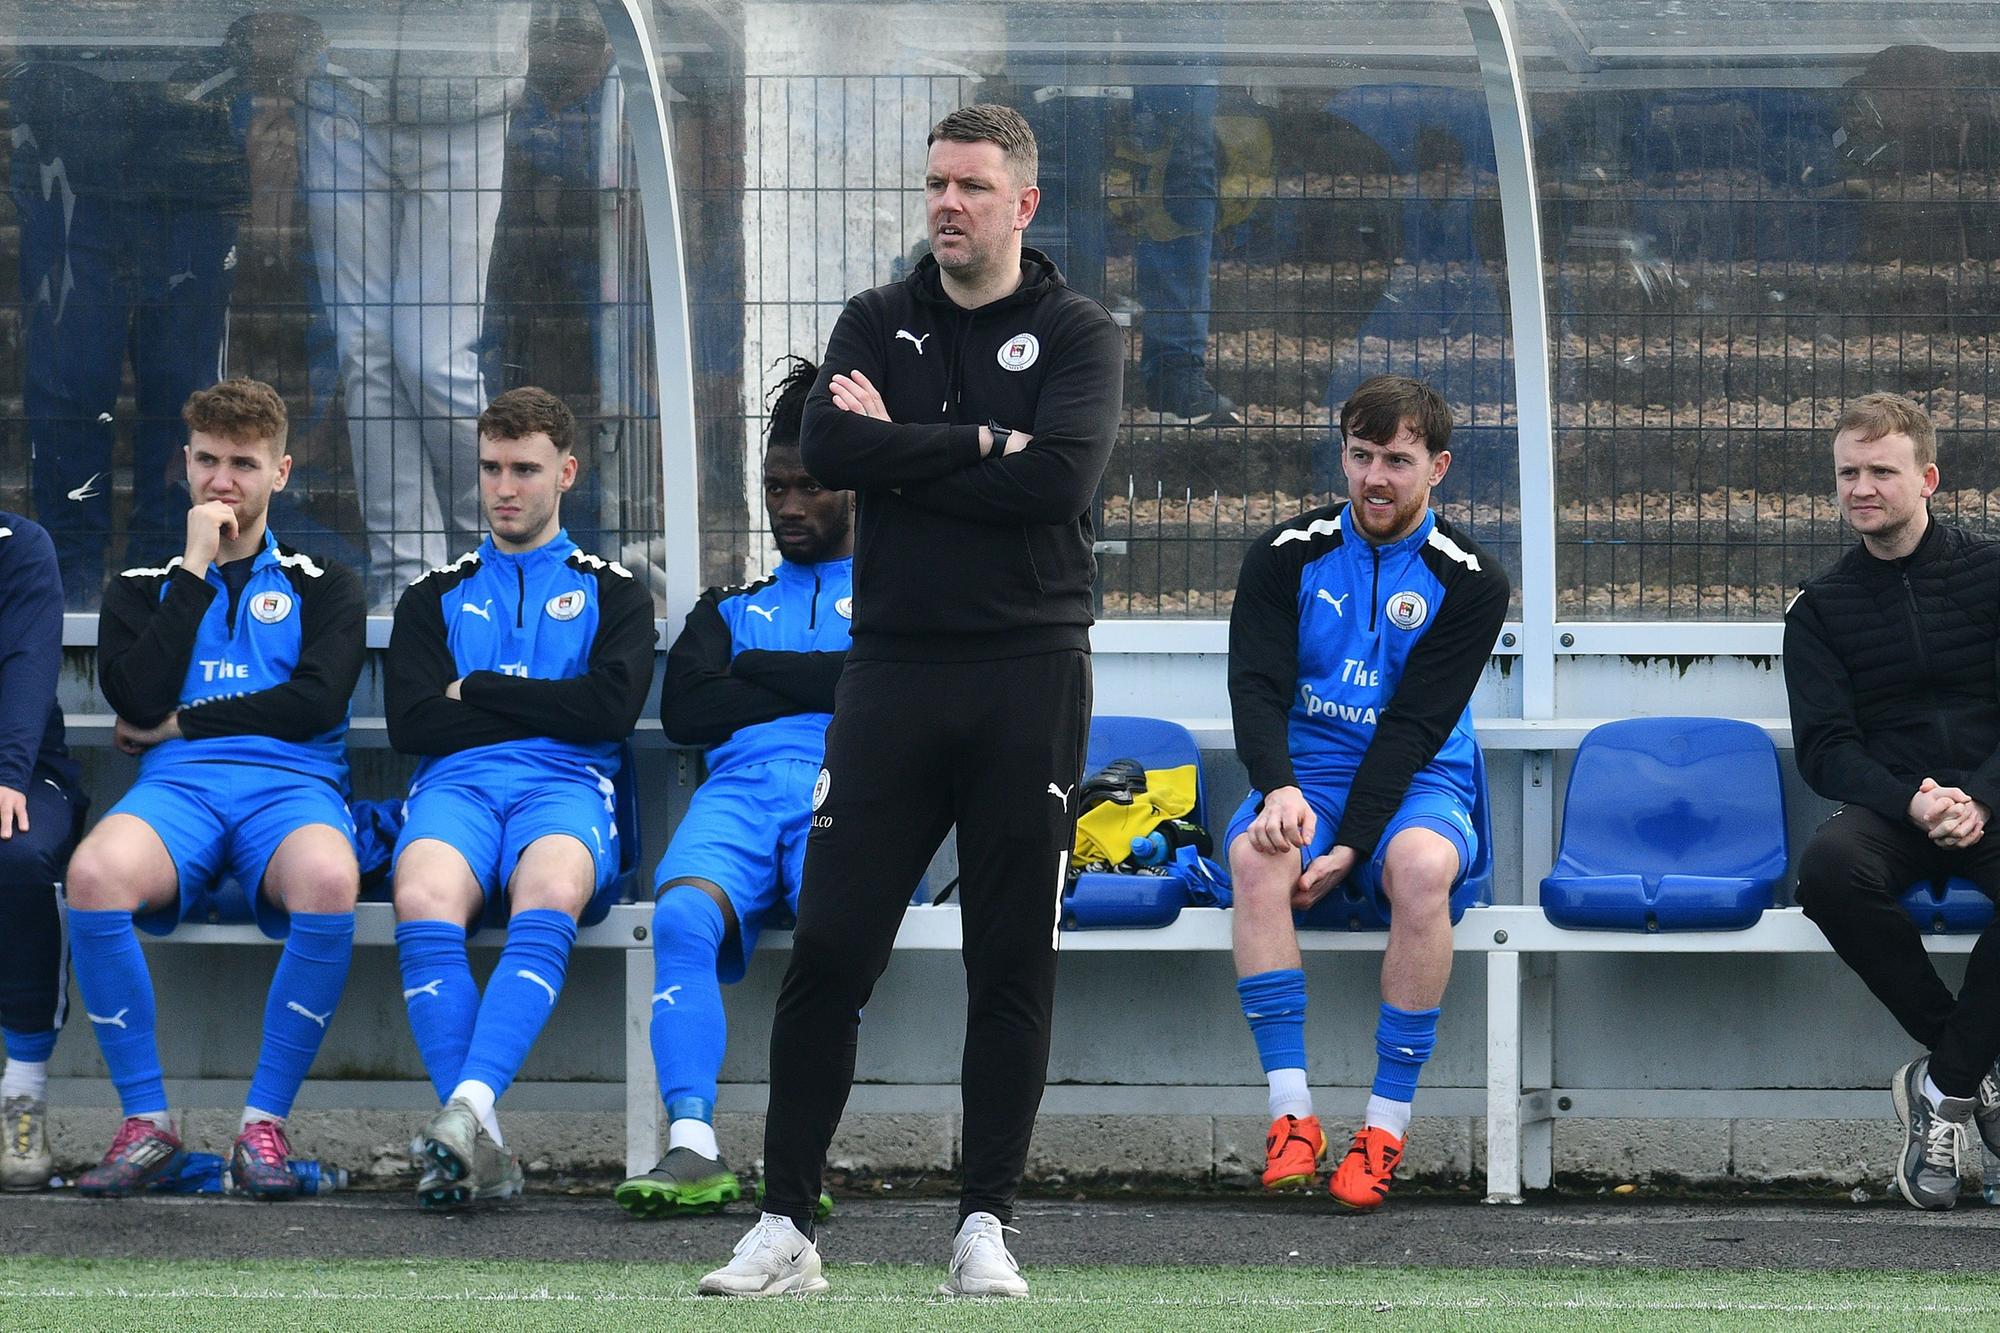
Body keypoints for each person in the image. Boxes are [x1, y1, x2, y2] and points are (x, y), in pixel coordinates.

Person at [699, 104, 1123, 1298]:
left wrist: (916, 446)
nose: (947, 203)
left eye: (971, 186)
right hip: (889, 672)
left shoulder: (1077, 332)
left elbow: (1058, 484)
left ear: (1020, 205)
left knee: (1009, 960)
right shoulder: (874, 319)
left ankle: (983, 1223)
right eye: (935, 183)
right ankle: (785, 1226)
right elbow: (830, 451)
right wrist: (983, 441)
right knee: (830, 947)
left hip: (1028, 670)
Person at [63, 377, 366, 1198]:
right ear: (184, 463)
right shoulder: (141, 586)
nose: (222, 480)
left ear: (281, 472)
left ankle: (263, 1127)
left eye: (243, 463)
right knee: (92, 874)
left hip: (293, 787)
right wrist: (195, 567)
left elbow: (315, 703)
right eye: (207, 460)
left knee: (329, 878)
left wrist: (183, 722)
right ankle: (148, 1125)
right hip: (178, 792)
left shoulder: (326, 582)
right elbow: (137, 698)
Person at [1226, 374, 1507, 1211]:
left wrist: (1352, 844)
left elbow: (1414, 726)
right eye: (1360, 456)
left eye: (1397, 459)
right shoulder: (1285, 553)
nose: (1375, 477)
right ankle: (1292, 1117)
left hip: (1420, 777)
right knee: (1255, 858)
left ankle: (1384, 1127)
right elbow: (1255, 687)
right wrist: (1277, 787)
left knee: (1420, 868)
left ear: (1438, 467)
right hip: (1307, 772)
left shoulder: (1473, 580)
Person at [387, 386, 655, 1210]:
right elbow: (412, 722)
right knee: (420, 891)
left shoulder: (615, 590)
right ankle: (483, 1143)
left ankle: (466, 1111)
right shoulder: (432, 595)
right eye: (492, 468)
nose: (504, 487)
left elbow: (607, 712)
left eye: (525, 470)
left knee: (551, 884)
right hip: (455, 786)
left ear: (566, 473)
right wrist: (550, 703)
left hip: (567, 786)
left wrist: (479, 688)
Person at [614, 357, 852, 1218]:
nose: (788, 504)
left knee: (832, 935)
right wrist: (823, 677)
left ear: (854, 489)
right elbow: (688, 709)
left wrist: (756, 672)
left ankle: (799, 1159)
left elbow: (880, 688)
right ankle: (693, 1145)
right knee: (680, 915)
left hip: (846, 787)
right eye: (775, 487)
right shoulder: (728, 607)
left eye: (810, 486)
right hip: (738, 793)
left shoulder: (899, 599)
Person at [1784, 392, 2000, 1211]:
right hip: (1894, 808)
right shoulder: (1820, 608)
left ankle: (1943, 1088)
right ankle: (1971, 1072)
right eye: (1848, 473)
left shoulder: (1992, 573)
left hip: (1992, 798)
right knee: (1828, 870)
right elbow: (1825, 749)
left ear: (1928, 478)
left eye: (1881, 470)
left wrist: (1980, 798)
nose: (1861, 488)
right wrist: (1914, 801)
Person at [301, 3, 533, 603]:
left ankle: (496, 551)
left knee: (433, 358)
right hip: (341, 85)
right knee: (365, 353)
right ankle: (405, 581)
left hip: (468, 95)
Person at [0, 514, 89, 1191]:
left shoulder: (20, 545)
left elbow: (29, 667)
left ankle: (22, 1094)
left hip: (23, 768)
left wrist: (6, 774)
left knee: (20, 855)